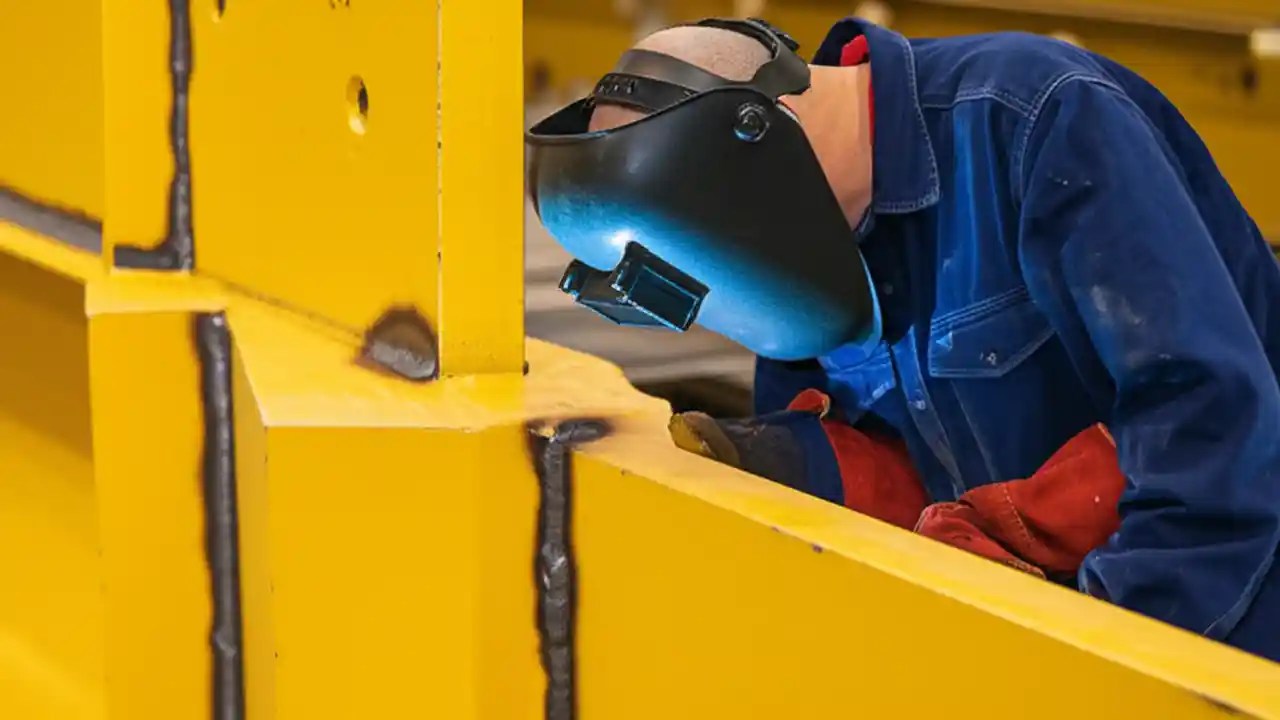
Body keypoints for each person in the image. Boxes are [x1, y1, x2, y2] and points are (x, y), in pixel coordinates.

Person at [525, 17, 1280, 662]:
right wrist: (785, 466)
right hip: (1027, 637)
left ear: (755, 145)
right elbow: (885, 478)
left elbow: (1212, 436)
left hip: (1226, 632)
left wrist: (1109, 664)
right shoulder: (800, 243)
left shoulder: (1040, 120)